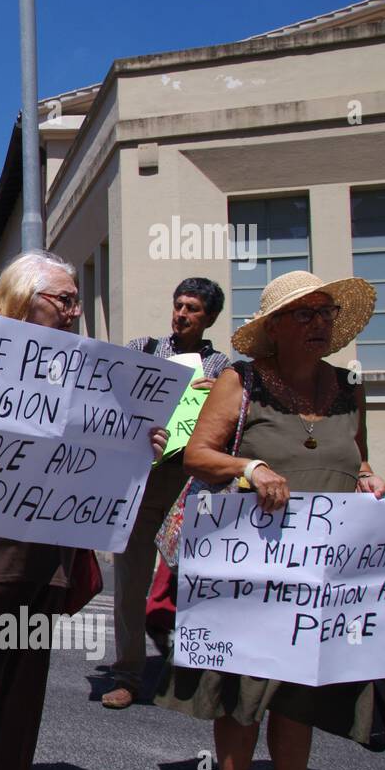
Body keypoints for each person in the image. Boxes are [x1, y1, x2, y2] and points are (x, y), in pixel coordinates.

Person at [0, 250, 167, 770]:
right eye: (64, 300)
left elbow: (91, 455)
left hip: (46, 562)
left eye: (77, 299)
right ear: (21, 300)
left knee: (23, 691)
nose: (76, 311)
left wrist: (137, 447)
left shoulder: (87, 374)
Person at [157, 270, 385, 770]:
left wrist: (370, 477)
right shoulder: (243, 380)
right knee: (244, 688)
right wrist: (251, 466)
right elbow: (197, 456)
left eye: (326, 313)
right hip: (254, 562)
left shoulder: (349, 389)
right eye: (305, 314)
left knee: (297, 693)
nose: (319, 324)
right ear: (275, 327)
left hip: (320, 569)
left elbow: (358, 457)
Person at [105, 278, 229, 709]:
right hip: (141, 480)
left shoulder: (222, 368)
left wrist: (220, 400)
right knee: (129, 581)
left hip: (189, 484)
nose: (181, 314)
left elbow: (233, 424)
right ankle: (127, 674)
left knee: (194, 581)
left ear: (209, 317)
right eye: (178, 305)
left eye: (192, 308)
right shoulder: (143, 348)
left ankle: (194, 677)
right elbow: (110, 396)